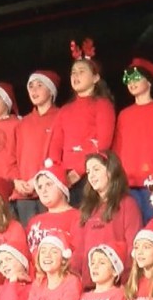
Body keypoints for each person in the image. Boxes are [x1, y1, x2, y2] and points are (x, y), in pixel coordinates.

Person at [47, 41, 116, 203]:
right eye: (73, 72)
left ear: (96, 77)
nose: (75, 76)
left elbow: (103, 142)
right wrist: (58, 173)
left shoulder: (102, 105)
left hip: (90, 176)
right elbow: (56, 145)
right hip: (65, 179)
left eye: (81, 71)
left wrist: (79, 170)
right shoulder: (65, 110)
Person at [111, 58, 153, 223]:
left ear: (149, 81)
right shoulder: (124, 114)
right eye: (128, 79)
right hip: (127, 184)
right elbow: (117, 148)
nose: (132, 83)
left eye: (136, 78)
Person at [76, 152, 140, 283]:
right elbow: (80, 249)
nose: (91, 176)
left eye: (96, 169)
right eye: (88, 172)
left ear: (110, 171)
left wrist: (126, 280)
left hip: (117, 283)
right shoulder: (87, 208)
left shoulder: (127, 204)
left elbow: (133, 246)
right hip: (90, 286)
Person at [14, 71, 60, 225]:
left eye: (40, 86)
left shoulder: (60, 117)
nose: (34, 90)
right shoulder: (23, 123)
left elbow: (59, 155)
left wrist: (38, 179)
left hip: (50, 190)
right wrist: (16, 181)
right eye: (31, 86)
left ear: (51, 90)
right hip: (24, 193)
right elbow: (13, 156)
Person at [24, 170, 80, 263]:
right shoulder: (33, 221)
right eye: (40, 187)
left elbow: (78, 256)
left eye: (49, 184)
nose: (43, 190)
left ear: (61, 187)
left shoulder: (77, 217)